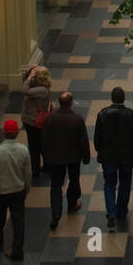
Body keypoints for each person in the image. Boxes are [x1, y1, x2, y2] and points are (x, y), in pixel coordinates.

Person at [93, 86, 133, 230]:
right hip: (127, 156)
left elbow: (97, 138)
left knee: (109, 184)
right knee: (125, 183)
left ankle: (111, 213)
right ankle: (122, 210)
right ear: (124, 98)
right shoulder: (132, 114)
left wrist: (100, 150)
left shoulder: (102, 114)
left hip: (108, 156)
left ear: (111, 98)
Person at [0, 119, 32, 260]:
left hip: (1, 192)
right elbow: (27, 174)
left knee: (0, 217)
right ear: (17, 133)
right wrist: (26, 189)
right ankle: (17, 250)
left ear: (4, 133)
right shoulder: (23, 150)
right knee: (18, 221)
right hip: (18, 191)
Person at [41, 91, 89, 230]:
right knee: (74, 179)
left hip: (55, 158)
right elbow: (83, 141)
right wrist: (85, 157)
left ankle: (56, 214)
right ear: (71, 103)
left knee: (56, 185)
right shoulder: (77, 119)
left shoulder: (50, 119)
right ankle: (72, 203)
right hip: (73, 157)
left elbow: (44, 140)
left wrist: (46, 157)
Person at [20, 66, 52, 183]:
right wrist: (30, 72)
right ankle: (48, 164)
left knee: (34, 146)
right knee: (39, 144)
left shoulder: (41, 90)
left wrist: (29, 77)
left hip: (33, 121)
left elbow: (24, 90)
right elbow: (26, 83)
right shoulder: (40, 87)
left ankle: (35, 169)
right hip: (32, 120)